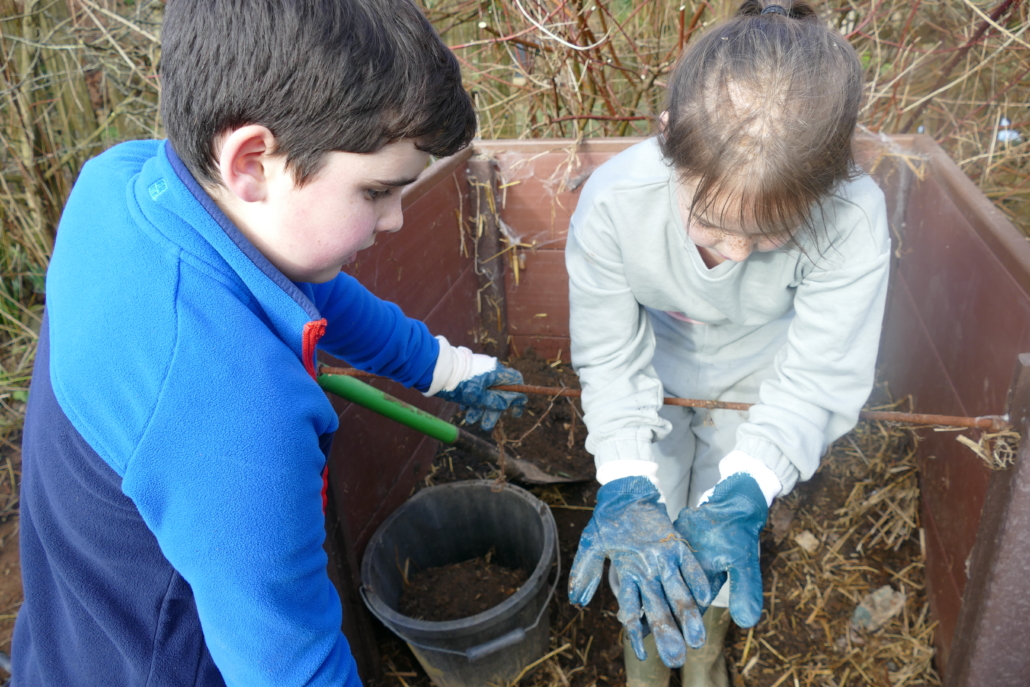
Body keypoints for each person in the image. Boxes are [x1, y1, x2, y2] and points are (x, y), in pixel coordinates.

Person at [11, 1, 525, 686]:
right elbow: (294, 669)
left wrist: (443, 367)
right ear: (252, 161)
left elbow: (301, 280)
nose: (396, 219)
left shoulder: (123, 181)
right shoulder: (235, 413)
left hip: (65, 632)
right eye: (377, 191)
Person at [565, 2, 890, 686]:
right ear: (667, 139)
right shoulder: (616, 203)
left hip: (763, 381)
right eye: (712, 224)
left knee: (719, 528)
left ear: (827, 187)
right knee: (648, 521)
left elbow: (818, 376)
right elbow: (612, 357)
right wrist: (625, 474)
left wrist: (752, 483)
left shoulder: (852, 219)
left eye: (770, 233)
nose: (738, 253)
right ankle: (645, 661)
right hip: (651, 371)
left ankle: (704, 654)